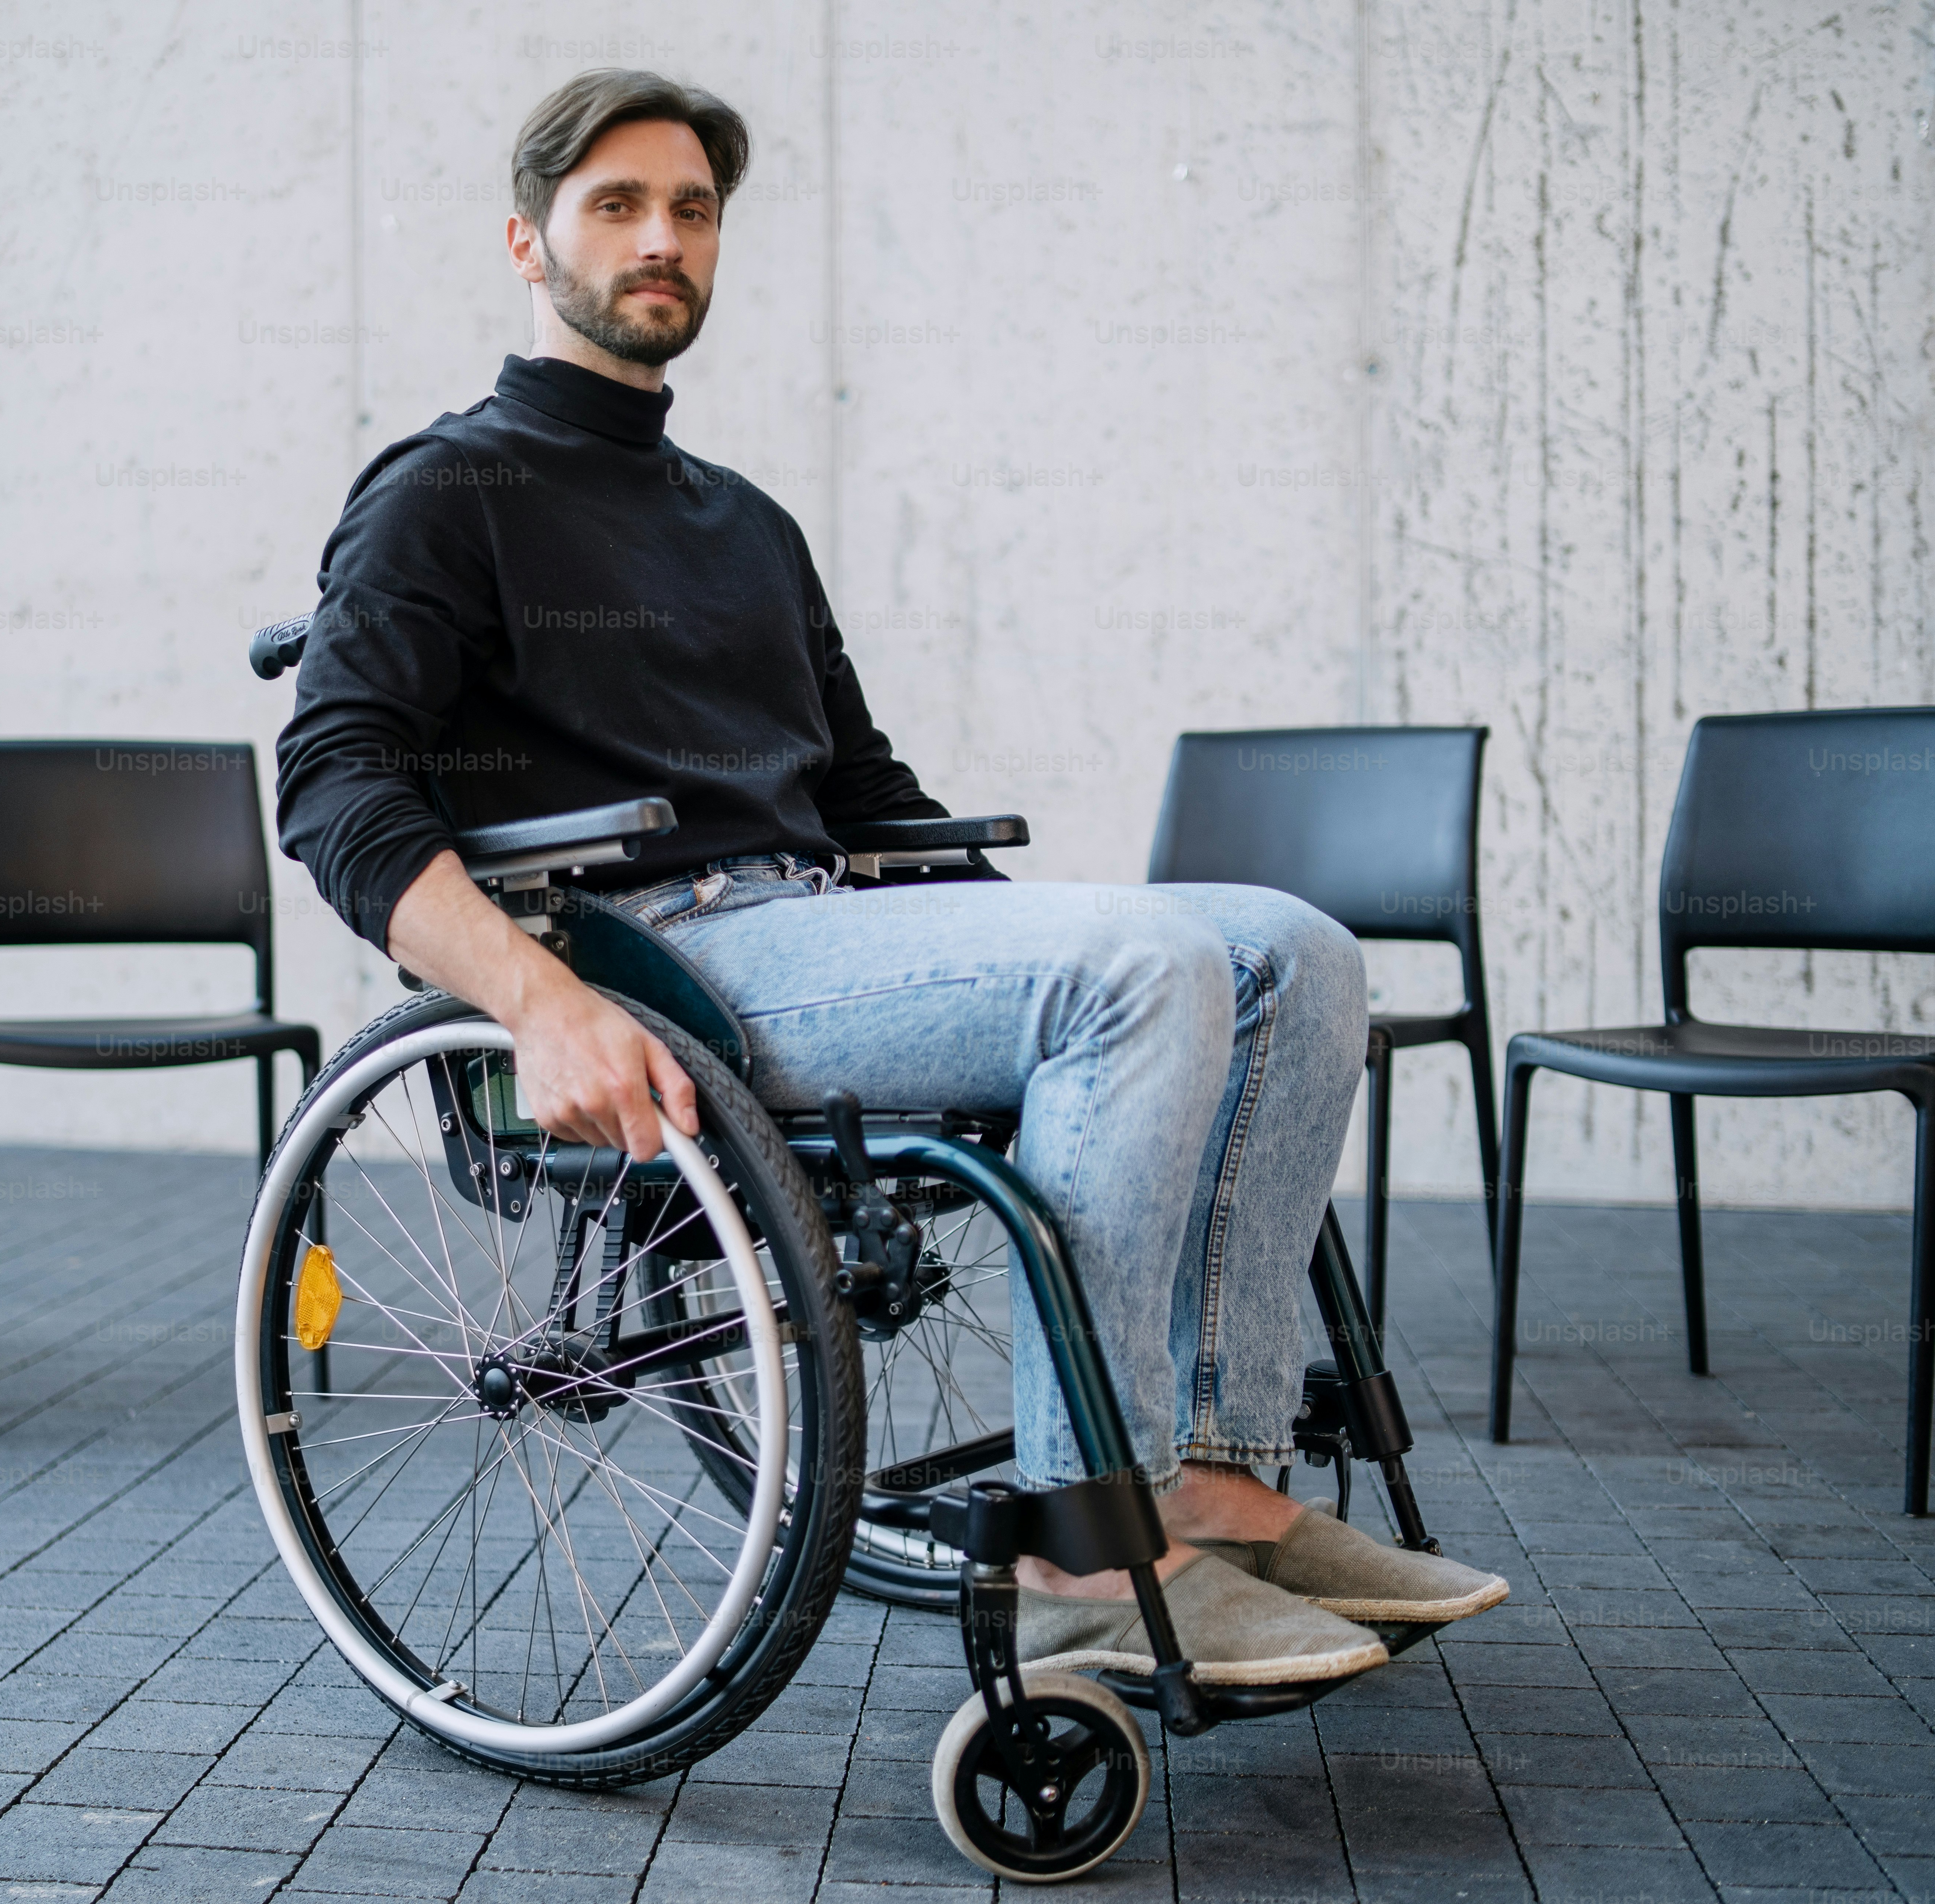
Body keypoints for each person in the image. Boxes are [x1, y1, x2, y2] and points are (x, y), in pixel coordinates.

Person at [275, 68, 1505, 1686]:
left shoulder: (746, 524)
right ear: (528, 240)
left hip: (826, 928)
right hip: (653, 955)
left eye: (694, 211)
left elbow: (866, 793)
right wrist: (538, 1001)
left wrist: (1065, 943)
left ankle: (1209, 1477)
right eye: (619, 206)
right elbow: (333, 785)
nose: (664, 239)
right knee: (1143, 971)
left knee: (1290, 948)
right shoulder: (445, 493)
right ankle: (1086, 1549)